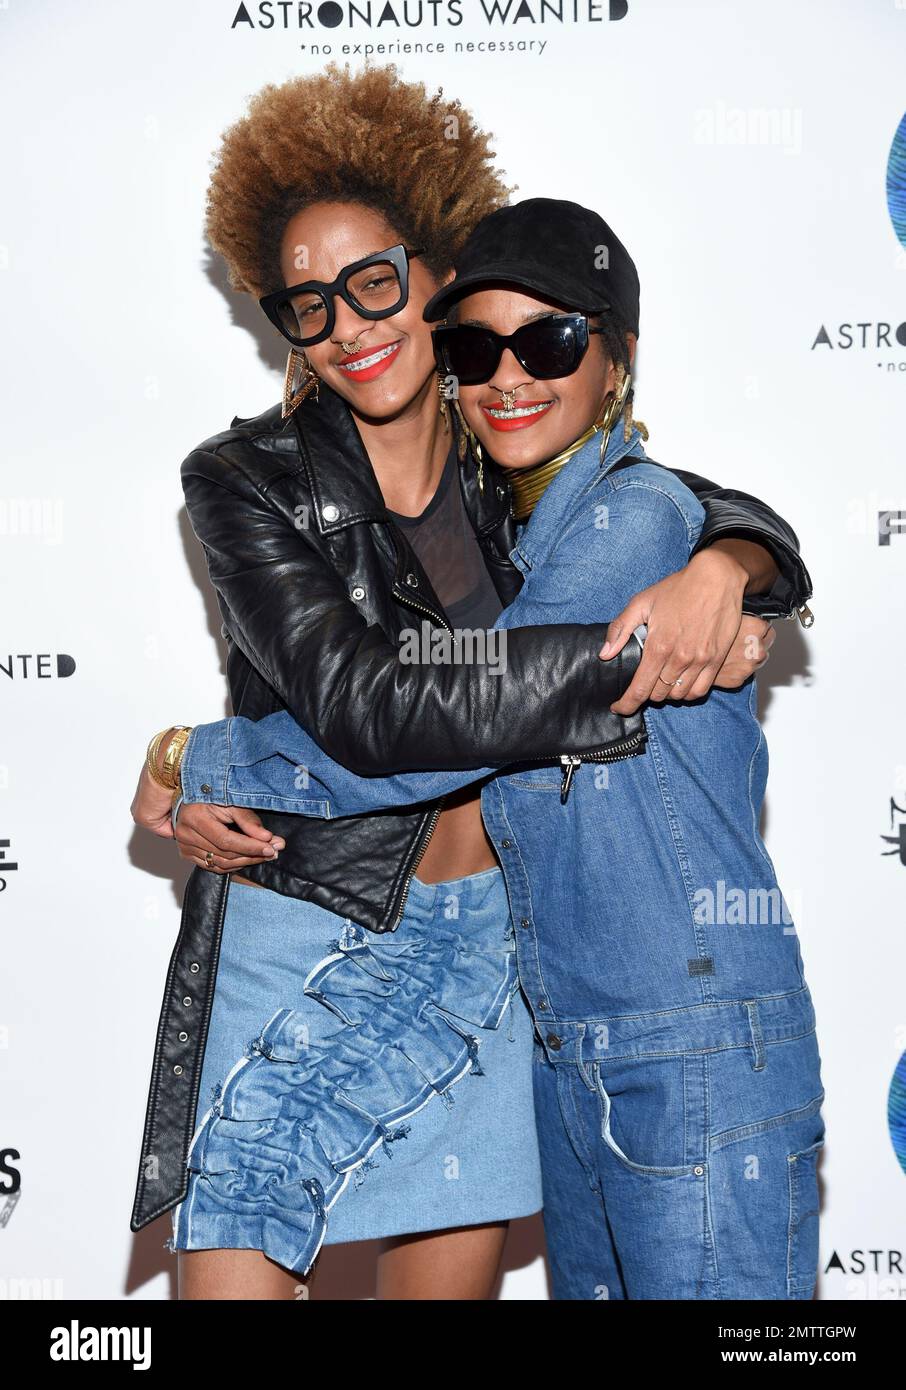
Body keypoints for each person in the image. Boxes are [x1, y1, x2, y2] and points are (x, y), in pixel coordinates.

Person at [130, 67, 813, 1301]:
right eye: (309, 305)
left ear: (435, 267)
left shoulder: (518, 442)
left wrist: (738, 560)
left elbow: (659, 494)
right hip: (311, 921)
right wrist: (196, 756)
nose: (350, 325)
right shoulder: (246, 478)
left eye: (376, 282)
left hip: (500, 952)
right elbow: (375, 705)